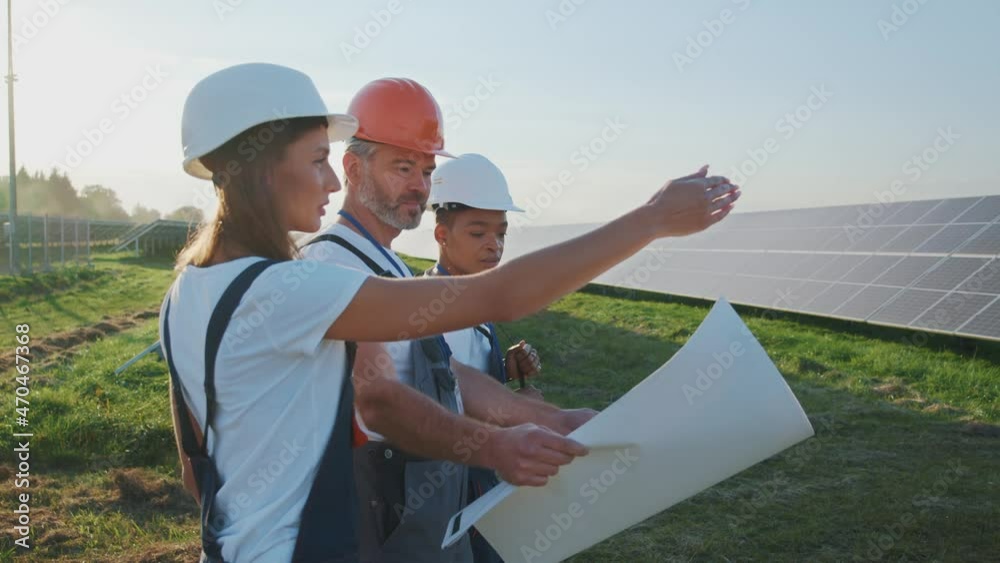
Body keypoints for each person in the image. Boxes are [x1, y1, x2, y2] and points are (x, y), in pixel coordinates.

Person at [165, 62, 740, 563]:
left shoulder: (189, 289)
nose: (332, 178)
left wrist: (534, 417)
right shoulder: (292, 287)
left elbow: (197, 460)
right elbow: (499, 296)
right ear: (261, 166)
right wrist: (652, 220)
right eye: (318, 158)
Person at [424, 153, 544, 563]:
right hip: (449, 488)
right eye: (478, 234)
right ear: (441, 235)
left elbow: (470, 376)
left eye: (501, 233)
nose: (494, 245)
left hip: (486, 478)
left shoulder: (478, 300)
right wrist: (516, 412)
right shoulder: (426, 313)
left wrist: (505, 370)